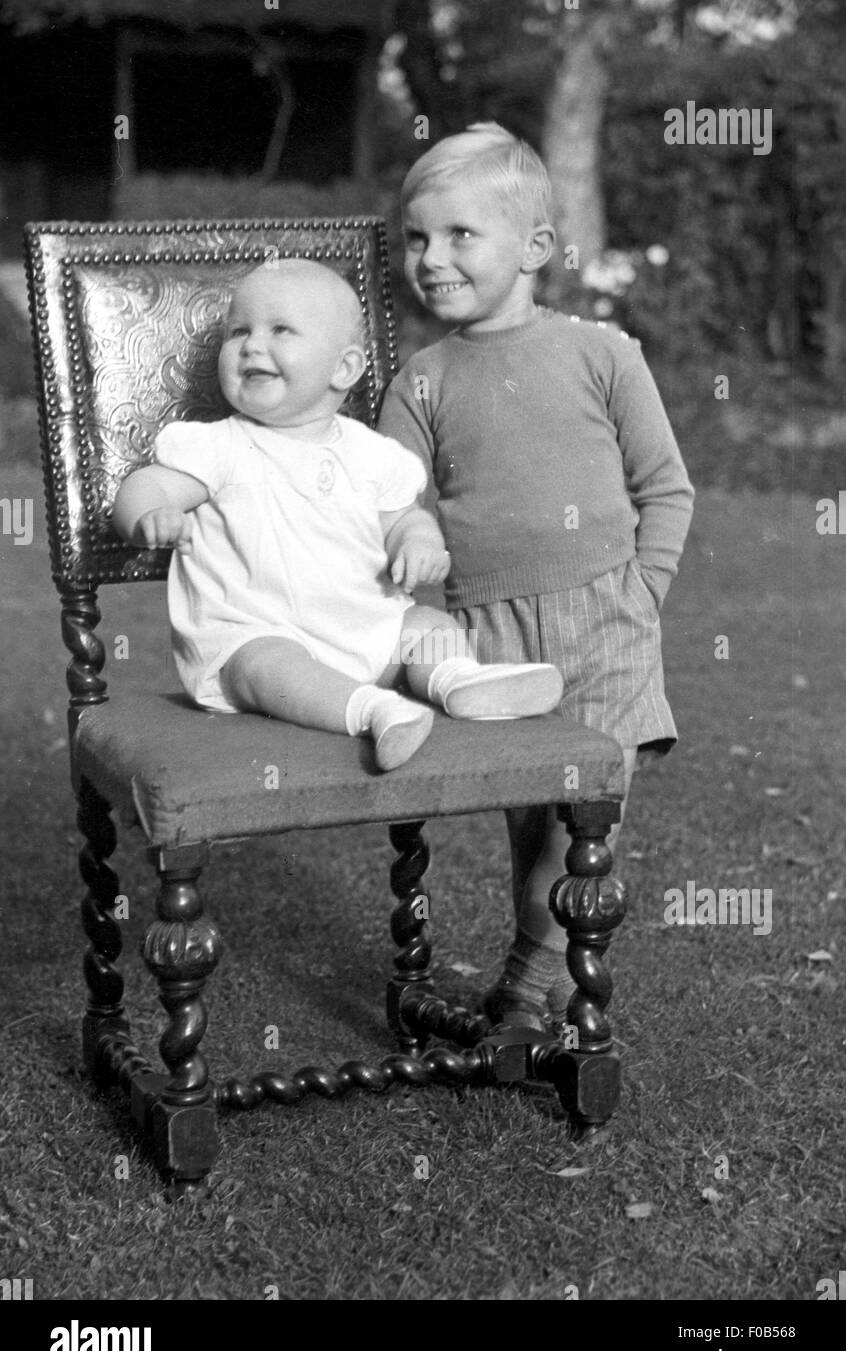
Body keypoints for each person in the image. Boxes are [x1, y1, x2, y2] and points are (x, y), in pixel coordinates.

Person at [378, 123, 695, 1027]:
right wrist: (419, 567)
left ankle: (523, 993)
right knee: (530, 819)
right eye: (416, 238)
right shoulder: (421, 381)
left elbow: (665, 486)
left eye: (459, 235)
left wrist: (644, 595)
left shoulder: (602, 352)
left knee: (582, 819)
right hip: (490, 635)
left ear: (537, 249)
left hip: (607, 621)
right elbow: (400, 505)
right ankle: (547, 989)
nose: (431, 258)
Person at [112, 258, 563, 772]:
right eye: (240, 331)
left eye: (280, 330)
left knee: (424, 624)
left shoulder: (372, 455)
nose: (252, 345)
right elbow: (146, 485)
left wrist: (417, 544)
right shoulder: (220, 446)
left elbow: (404, 519)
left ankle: (458, 679)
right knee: (269, 665)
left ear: (344, 368)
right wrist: (150, 513)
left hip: (366, 632)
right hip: (253, 636)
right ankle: (376, 711)